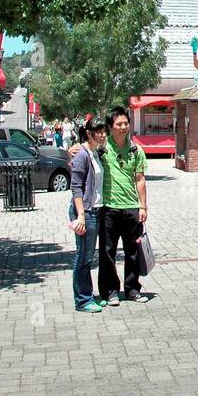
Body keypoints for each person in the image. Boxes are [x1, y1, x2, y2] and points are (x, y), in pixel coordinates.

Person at [97, 106, 149, 304]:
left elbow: (140, 179)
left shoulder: (136, 150)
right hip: (108, 207)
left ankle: (132, 289)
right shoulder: (102, 148)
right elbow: (83, 151)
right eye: (119, 124)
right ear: (110, 126)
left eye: (126, 123)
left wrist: (143, 207)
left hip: (131, 207)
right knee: (107, 252)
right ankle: (110, 291)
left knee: (133, 251)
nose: (123, 127)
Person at [68, 118, 109, 312]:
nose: (102, 135)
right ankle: (82, 300)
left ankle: (88, 294)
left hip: (96, 210)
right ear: (89, 133)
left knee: (88, 256)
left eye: (104, 131)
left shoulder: (96, 152)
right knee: (83, 256)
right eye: (98, 131)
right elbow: (75, 187)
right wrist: (81, 215)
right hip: (86, 212)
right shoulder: (82, 155)